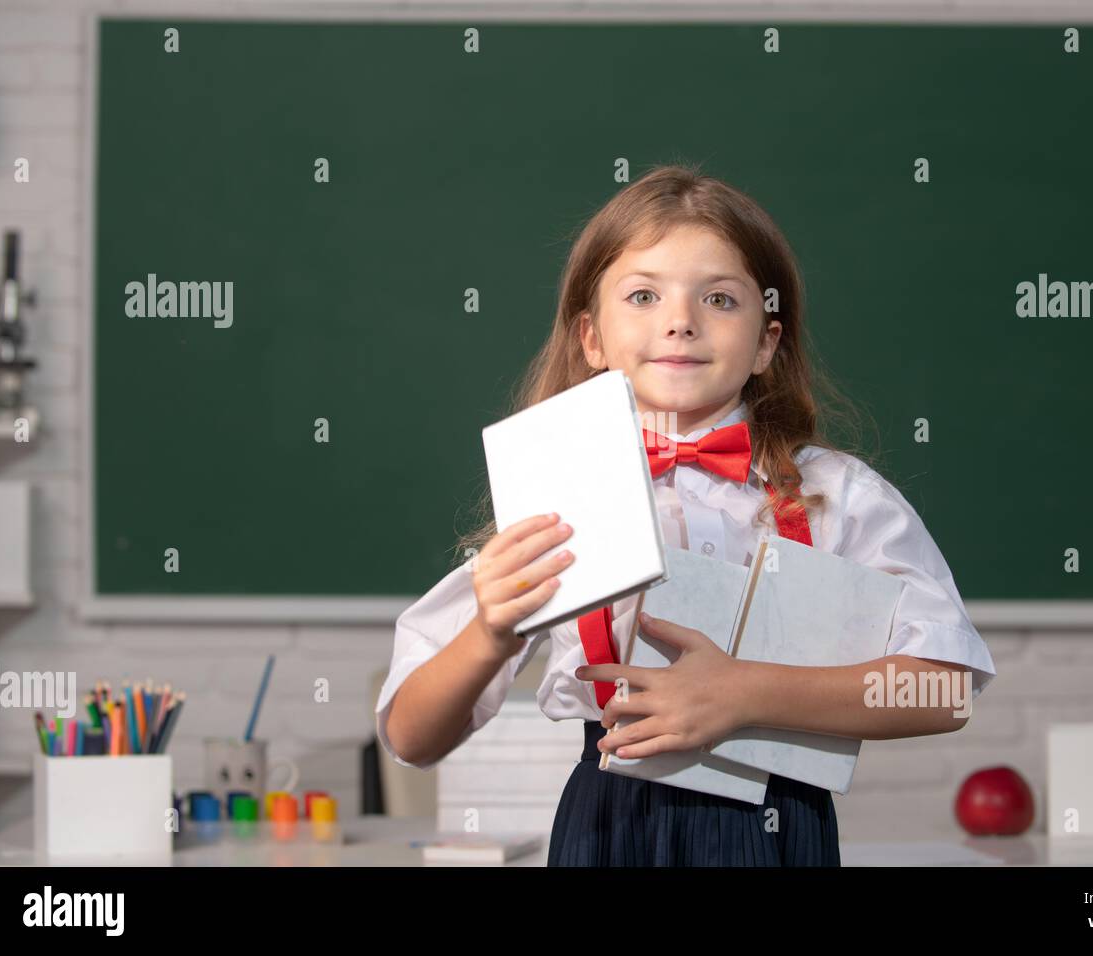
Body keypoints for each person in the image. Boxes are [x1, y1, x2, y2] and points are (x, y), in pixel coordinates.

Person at [376, 164, 997, 866]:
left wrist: (747, 694)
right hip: (608, 829)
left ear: (767, 342)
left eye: (720, 299)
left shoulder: (840, 495)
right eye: (642, 295)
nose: (679, 320)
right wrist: (490, 632)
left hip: (778, 831)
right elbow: (411, 736)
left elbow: (945, 690)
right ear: (591, 338)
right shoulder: (557, 492)